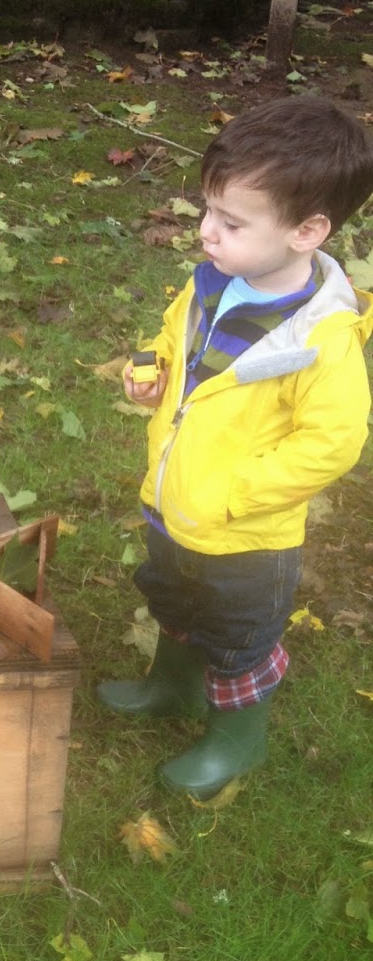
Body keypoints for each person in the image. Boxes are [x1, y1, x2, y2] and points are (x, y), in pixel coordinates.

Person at [98, 95, 373, 799]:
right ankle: (172, 688)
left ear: (307, 230)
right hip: (174, 509)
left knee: (237, 636)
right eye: (208, 211)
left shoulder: (319, 340)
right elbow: (173, 341)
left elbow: (333, 442)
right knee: (174, 603)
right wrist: (148, 370)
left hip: (248, 540)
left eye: (231, 221)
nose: (206, 231)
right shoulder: (214, 283)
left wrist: (233, 495)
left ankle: (237, 740)